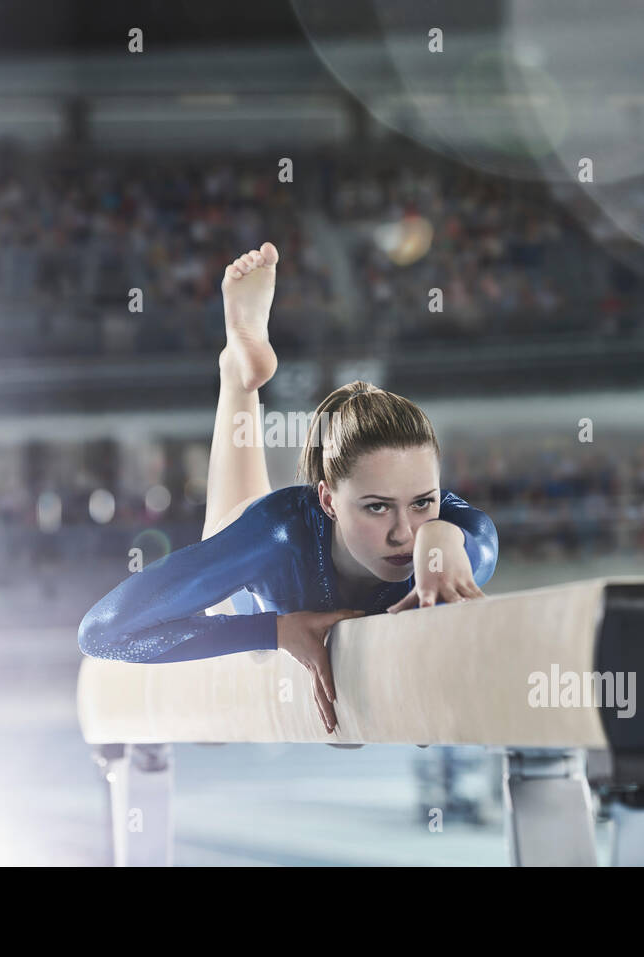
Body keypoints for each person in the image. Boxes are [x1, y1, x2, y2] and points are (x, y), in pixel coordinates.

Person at [78, 242, 499, 735]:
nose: (404, 534)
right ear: (327, 501)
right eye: (377, 508)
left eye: (423, 502)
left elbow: (471, 539)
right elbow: (104, 634)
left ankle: (240, 370)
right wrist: (274, 631)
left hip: (283, 550)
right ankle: (236, 372)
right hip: (255, 577)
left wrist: (445, 538)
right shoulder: (279, 534)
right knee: (235, 520)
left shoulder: (457, 537)